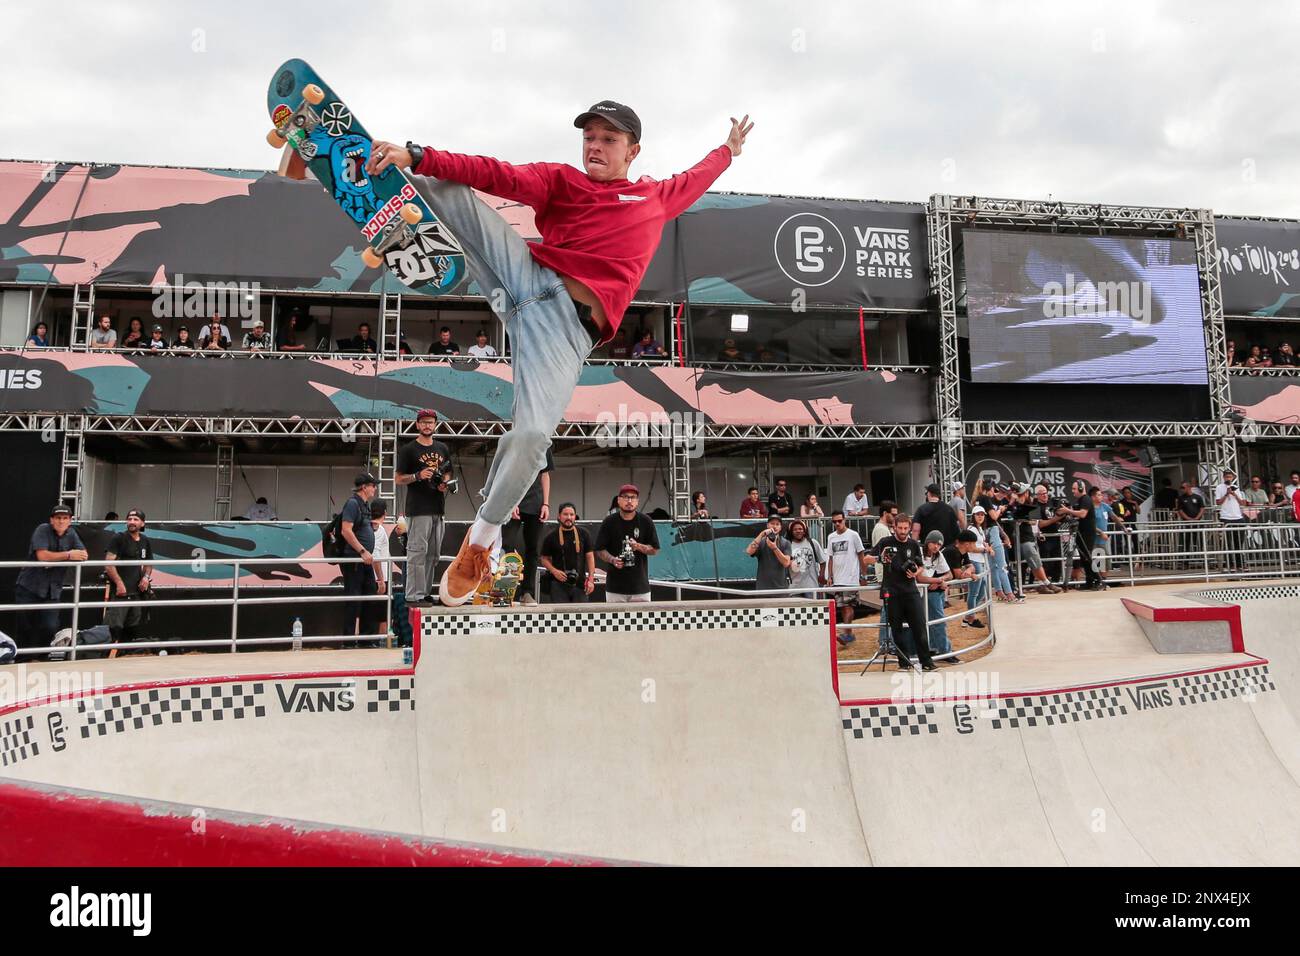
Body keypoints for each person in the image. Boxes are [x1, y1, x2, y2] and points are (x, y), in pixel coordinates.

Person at [368, 103, 750, 606]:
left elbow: (699, 175)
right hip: (526, 278)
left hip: (565, 333)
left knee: (531, 437)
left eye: (608, 140)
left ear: (633, 151)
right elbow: (498, 173)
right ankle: (385, 176)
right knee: (453, 190)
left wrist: (728, 150)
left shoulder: (654, 197)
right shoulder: (561, 180)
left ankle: (480, 540)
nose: (594, 146)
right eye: (589, 137)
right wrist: (416, 153)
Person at [862, 513, 938, 671]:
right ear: (894, 528)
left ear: (910, 528)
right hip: (892, 592)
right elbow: (866, 558)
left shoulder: (913, 544)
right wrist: (880, 558)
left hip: (911, 591)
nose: (903, 531)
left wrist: (916, 572)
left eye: (906, 528)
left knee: (919, 627)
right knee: (897, 630)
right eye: (900, 528)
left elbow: (921, 564)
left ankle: (927, 662)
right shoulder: (885, 542)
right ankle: (904, 663)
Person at [394, 408, 455, 607]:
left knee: (433, 554)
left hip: (438, 507)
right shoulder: (409, 449)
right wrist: (418, 476)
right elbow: (398, 478)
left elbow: (448, 471)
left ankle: (425, 592)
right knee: (417, 552)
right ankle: (413, 596)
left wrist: (443, 483)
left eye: (431, 422)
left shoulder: (442, 448)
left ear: (435, 424)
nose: (427, 425)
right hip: (418, 508)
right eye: (424, 422)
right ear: (417, 424)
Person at [13, 505, 88, 650]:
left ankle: (42, 657)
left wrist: (57, 558)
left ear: (70, 521)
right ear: (51, 520)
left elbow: (84, 554)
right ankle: (22, 658)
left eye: (65, 518)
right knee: (25, 626)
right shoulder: (43, 529)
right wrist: (68, 555)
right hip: (29, 586)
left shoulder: (71, 534)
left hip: (53, 590)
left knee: (50, 626)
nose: (61, 521)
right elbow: (43, 556)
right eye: (58, 518)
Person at [503, 447, 553, 606]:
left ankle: (527, 592)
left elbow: (545, 475)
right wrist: (512, 501)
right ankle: (506, 588)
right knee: (507, 544)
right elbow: (506, 474)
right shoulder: (514, 442)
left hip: (536, 502)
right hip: (514, 502)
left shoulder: (544, 444)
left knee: (533, 549)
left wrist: (546, 503)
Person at [595, 484, 660, 602]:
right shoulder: (609, 522)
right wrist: (612, 560)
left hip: (640, 587)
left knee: (642, 620)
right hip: (615, 588)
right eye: (625, 497)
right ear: (619, 500)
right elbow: (600, 549)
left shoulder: (646, 521)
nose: (629, 501)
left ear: (637, 501)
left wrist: (638, 546)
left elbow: (655, 549)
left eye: (633, 497)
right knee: (615, 620)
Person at [104, 509, 153, 645]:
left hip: (137, 593)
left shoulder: (145, 540)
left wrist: (146, 578)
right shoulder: (118, 538)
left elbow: (149, 563)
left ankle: (125, 655)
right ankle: (109, 657)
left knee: (132, 628)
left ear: (142, 523)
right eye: (130, 519)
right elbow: (108, 564)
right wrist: (119, 583)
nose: (132, 522)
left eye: (136, 519)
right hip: (120, 593)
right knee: (114, 628)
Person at [339, 473, 379, 639]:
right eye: (373, 485)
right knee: (353, 599)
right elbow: (345, 530)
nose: (375, 488)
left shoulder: (365, 505)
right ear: (364, 487)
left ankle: (366, 638)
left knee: (370, 594)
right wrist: (362, 551)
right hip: (355, 560)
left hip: (365, 561)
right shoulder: (353, 503)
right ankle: (348, 640)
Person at [540, 503, 595, 602]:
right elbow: (544, 559)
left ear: (575, 516)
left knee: (581, 616)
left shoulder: (584, 534)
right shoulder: (551, 536)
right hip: (558, 584)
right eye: (565, 514)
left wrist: (591, 579)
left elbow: (590, 557)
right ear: (559, 516)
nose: (569, 517)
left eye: (572, 514)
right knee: (560, 616)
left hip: (580, 584)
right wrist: (554, 571)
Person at [824, 510, 867, 634]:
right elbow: (830, 558)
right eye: (834, 522)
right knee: (842, 606)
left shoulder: (853, 535)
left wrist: (863, 575)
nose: (837, 524)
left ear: (844, 520)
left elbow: (861, 555)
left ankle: (846, 633)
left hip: (851, 577)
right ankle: (848, 633)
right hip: (837, 578)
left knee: (848, 605)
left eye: (839, 521)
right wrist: (830, 576)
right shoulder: (831, 537)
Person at [919, 530, 954, 657]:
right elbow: (919, 578)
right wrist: (938, 580)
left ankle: (938, 648)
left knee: (936, 621)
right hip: (918, 592)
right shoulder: (919, 553)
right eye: (933, 543)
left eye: (939, 545)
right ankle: (944, 650)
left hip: (928, 591)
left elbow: (950, 574)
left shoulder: (938, 555)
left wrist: (940, 580)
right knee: (935, 621)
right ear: (927, 542)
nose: (936, 546)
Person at [746, 515, 792, 593]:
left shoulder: (786, 543)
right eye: (772, 523)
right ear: (767, 525)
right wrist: (761, 535)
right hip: (762, 589)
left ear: (781, 527)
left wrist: (774, 548)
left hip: (781, 589)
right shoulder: (761, 541)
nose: (774, 526)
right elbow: (749, 551)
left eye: (777, 524)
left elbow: (786, 563)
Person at [1215, 468, 1248, 572]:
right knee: (1228, 542)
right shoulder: (1219, 487)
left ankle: (1240, 564)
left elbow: (1242, 503)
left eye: (1230, 476)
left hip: (1238, 517)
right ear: (1223, 477)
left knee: (1239, 542)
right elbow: (1218, 502)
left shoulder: (1236, 487)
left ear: (1233, 477)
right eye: (1226, 476)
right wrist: (1226, 494)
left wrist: (1234, 494)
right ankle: (1229, 564)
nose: (1228, 478)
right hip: (1226, 517)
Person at [913, 483, 960, 553]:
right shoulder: (949, 509)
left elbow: (915, 530)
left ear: (929, 493)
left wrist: (914, 548)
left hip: (928, 551)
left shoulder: (921, 509)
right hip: (947, 550)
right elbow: (956, 531)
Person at [368, 499, 392, 636]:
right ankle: (383, 640)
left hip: (369, 575)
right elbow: (375, 554)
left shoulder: (366, 527)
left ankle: (357, 638)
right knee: (383, 614)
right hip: (380, 576)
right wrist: (381, 579)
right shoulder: (379, 530)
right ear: (385, 513)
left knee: (364, 610)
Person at [786, 519, 825, 599]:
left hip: (812, 587)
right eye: (795, 529)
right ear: (791, 532)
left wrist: (821, 575)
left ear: (804, 530)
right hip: (795, 588)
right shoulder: (788, 545)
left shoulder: (812, 543)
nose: (798, 531)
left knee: (813, 610)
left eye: (800, 529)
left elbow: (822, 561)